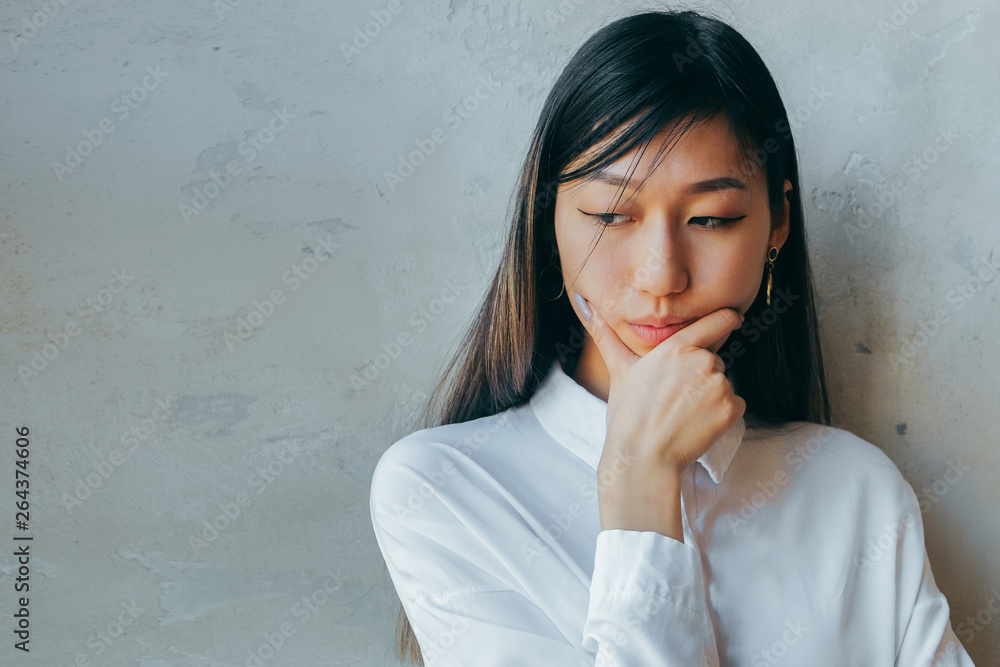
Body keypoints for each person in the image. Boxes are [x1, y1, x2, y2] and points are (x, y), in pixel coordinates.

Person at [368, 8, 976, 666]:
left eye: (711, 219)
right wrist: (640, 479)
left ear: (776, 221)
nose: (661, 274)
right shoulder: (441, 488)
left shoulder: (856, 490)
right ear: (548, 222)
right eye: (610, 215)